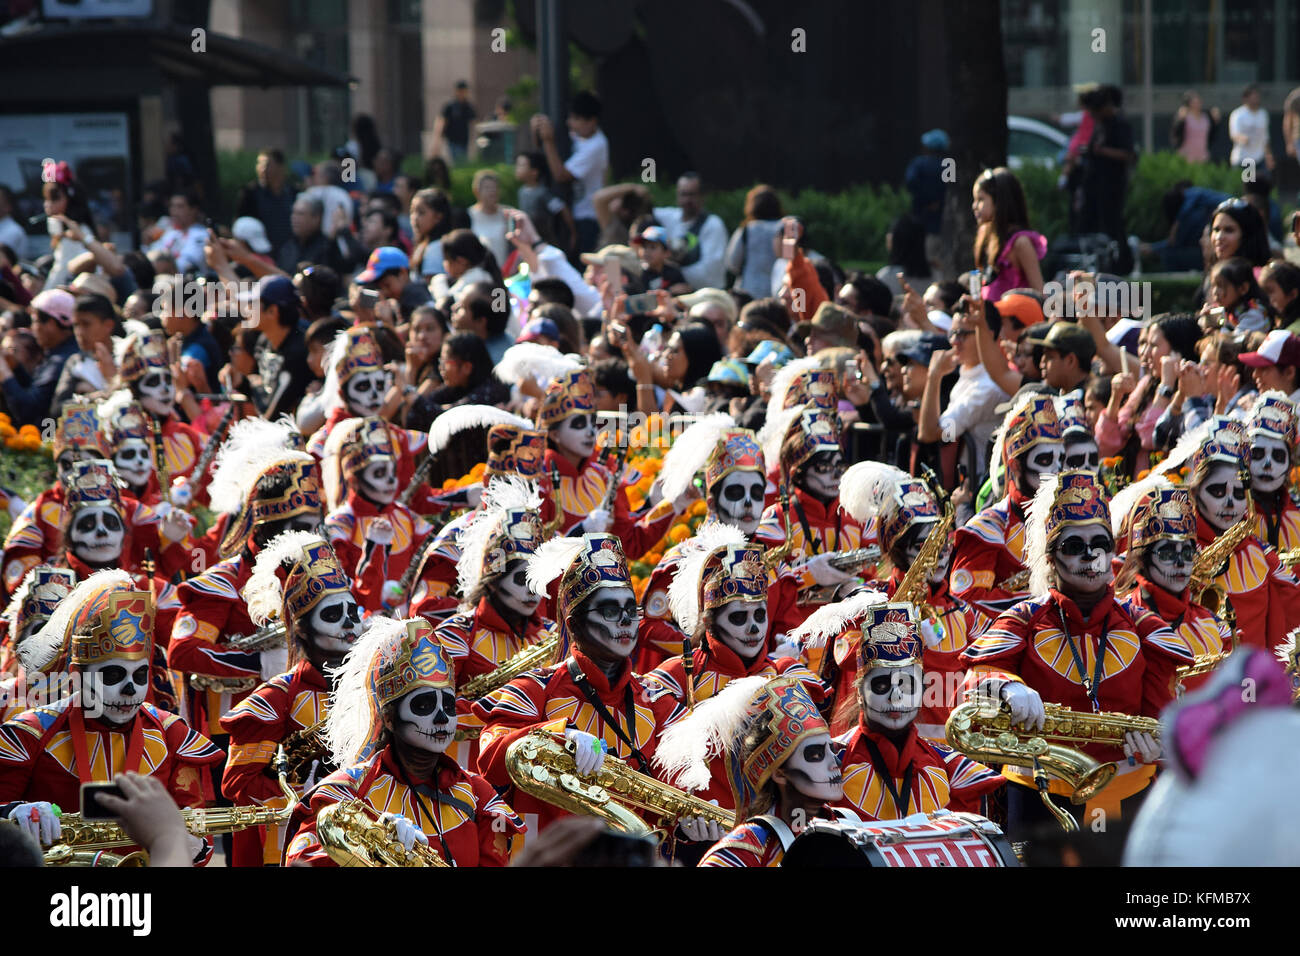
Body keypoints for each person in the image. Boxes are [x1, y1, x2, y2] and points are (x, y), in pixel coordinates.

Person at [961, 470, 1191, 831]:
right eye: (1074, 547)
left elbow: (1163, 718)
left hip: (1125, 794)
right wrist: (1008, 687)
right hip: (1040, 794)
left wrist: (1156, 749)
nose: (1090, 556)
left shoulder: (1145, 627)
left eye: (1100, 543)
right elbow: (976, 679)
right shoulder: (1023, 618)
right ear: (1051, 558)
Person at [471, 534, 679, 849]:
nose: (625, 620)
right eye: (610, 611)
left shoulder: (657, 697)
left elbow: (686, 782)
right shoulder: (535, 687)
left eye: (629, 609)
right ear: (575, 624)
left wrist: (690, 824)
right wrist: (553, 734)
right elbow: (490, 758)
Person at [1, 570, 223, 865]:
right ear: (78, 676)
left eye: (140, 675)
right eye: (113, 674)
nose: (131, 689)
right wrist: (12, 812)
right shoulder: (31, 733)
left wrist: (191, 845)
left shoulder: (172, 734)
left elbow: (197, 828)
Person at [285, 615, 524, 866]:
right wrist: (372, 849)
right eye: (424, 705)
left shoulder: (478, 792)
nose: (442, 717)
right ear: (389, 718)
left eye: (449, 705)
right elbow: (301, 859)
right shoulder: (347, 792)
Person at [170, 418, 323, 741]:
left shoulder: (315, 576)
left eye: (313, 528)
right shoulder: (224, 581)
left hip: (297, 728)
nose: (309, 539)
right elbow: (183, 652)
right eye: (299, 528)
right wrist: (258, 661)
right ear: (266, 528)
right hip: (230, 732)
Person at [222, 530, 360, 865]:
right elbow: (238, 784)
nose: (349, 624)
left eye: (353, 612)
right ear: (303, 627)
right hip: (292, 846)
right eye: (332, 614)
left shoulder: (366, 684)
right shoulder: (274, 697)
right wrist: (303, 787)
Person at [801, 596, 1004, 821]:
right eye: (881, 685)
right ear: (859, 693)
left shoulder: (950, 766)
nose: (895, 697)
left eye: (907, 685)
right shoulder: (832, 759)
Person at [835, 464, 986, 740]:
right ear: (898, 548)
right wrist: (900, 632)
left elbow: (991, 667)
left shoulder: (964, 612)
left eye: (944, 544)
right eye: (923, 546)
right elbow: (843, 655)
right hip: (886, 748)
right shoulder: (872, 601)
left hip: (952, 754)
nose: (938, 556)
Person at [657, 675, 844, 866]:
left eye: (832, 748)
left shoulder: (847, 827)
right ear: (779, 772)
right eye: (815, 755)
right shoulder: (735, 857)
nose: (835, 761)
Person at [1111, 477, 1230, 697]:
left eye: (1187, 553)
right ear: (1143, 560)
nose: (1180, 563)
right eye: (1167, 553)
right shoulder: (1119, 618)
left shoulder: (1216, 626)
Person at [950, 394, 1064, 617]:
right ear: (1015, 465)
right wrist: (1044, 597)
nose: (1056, 470)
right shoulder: (987, 528)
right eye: (1044, 460)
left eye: (1061, 459)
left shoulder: (1067, 520)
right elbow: (966, 603)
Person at [322, 417, 432, 614]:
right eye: (379, 473)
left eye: (392, 471)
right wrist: (377, 595)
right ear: (354, 480)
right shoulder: (339, 524)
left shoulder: (405, 515)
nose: (392, 480)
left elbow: (432, 562)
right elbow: (337, 589)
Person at [918, 297, 1010, 481]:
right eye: (952, 333)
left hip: (981, 488)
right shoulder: (968, 371)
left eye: (962, 334)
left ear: (987, 334)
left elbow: (930, 434)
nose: (954, 341)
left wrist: (934, 377)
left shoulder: (986, 388)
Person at [531, 92, 609, 254]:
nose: (570, 124)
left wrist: (548, 141)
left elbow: (561, 176)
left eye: (575, 119)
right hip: (570, 215)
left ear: (592, 121)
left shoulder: (596, 145)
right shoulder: (579, 137)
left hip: (588, 219)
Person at [232, 275, 314, 420]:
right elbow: (266, 395)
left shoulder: (299, 352)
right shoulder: (264, 342)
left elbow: (275, 414)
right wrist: (242, 382)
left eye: (254, 303)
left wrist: (248, 384)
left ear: (272, 311)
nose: (248, 308)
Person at [1079, 85, 1136, 275]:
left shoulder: (1120, 124)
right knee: (1097, 224)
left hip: (1113, 185)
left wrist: (1101, 151)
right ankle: (1102, 262)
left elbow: (1128, 154)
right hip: (1096, 185)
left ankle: (1121, 264)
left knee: (1114, 225)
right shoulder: (1100, 124)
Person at [0, 289, 78, 427]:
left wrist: (4, 373)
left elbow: (30, 411)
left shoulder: (63, 360)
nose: (32, 328)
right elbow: (37, 391)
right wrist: (16, 368)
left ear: (52, 324)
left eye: (35, 321)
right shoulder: (59, 352)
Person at [972, 167, 1045, 298]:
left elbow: (1039, 294)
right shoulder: (987, 236)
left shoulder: (1020, 243)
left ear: (1000, 201)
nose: (974, 206)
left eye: (981, 199)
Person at [277, 195, 362, 276]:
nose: (294, 218)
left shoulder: (327, 249)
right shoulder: (287, 248)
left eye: (300, 214)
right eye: (293, 213)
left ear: (316, 218)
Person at [235, 149, 297, 259]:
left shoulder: (293, 193)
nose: (262, 169)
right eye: (259, 164)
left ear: (281, 167)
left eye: (267, 165)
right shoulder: (250, 193)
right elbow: (242, 224)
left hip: (290, 252)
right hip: (260, 252)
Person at [725, 186, 784, 299]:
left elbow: (732, 263)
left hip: (748, 292)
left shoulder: (747, 229)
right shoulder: (784, 229)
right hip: (779, 291)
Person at [905, 130, 950, 275]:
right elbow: (951, 189)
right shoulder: (949, 164)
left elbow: (910, 182)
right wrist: (938, 202)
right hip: (942, 219)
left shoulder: (919, 163)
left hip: (920, 216)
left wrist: (925, 200)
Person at [514, 151, 572, 250]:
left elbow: (561, 208)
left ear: (534, 172)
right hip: (528, 241)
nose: (517, 169)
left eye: (522, 165)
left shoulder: (543, 193)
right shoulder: (521, 191)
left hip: (544, 241)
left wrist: (572, 233)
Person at [1030, 321, 1095, 398]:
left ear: (1070, 361)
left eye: (1050, 357)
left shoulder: (1091, 399)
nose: (1042, 364)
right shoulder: (1061, 393)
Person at [1229, 84, 1273, 172]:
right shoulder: (1238, 114)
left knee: (1263, 184)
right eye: (1253, 96)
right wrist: (1243, 138)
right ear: (1246, 98)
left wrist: (1268, 156)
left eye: (1257, 96)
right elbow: (1234, 135)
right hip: (1245, 159)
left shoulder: (1263, 114)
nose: (1256, 98)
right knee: (1248, 184)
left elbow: (1265, 138)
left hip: (1260, 159)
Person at [468, 170, 509, 266]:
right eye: (487, 188)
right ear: (476, 191)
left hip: (507, 269)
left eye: (495, 187)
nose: (492, 191)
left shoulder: (507, 213)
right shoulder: (469, 215)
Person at [1170, 90, 1219, 165]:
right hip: (1186, 155)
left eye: (1198, 102)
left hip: (1202, 154)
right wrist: (1180, 120)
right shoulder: (1184, 116)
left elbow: (1213, 132)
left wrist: (1215, 120)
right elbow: (1176, 132)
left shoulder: (1206, 117)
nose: (1197, 104)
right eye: (1194, 102)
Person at [435, 80, 477, 164]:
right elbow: (442, 122)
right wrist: (438, 140)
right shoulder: (450, 106)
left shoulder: (468, 106)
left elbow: (474, 122)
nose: (462, 93)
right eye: (460, 91)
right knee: (457, 160)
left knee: (462, 161)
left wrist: (475, 140)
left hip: (464, 140)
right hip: (453, 139)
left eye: (464, 91)